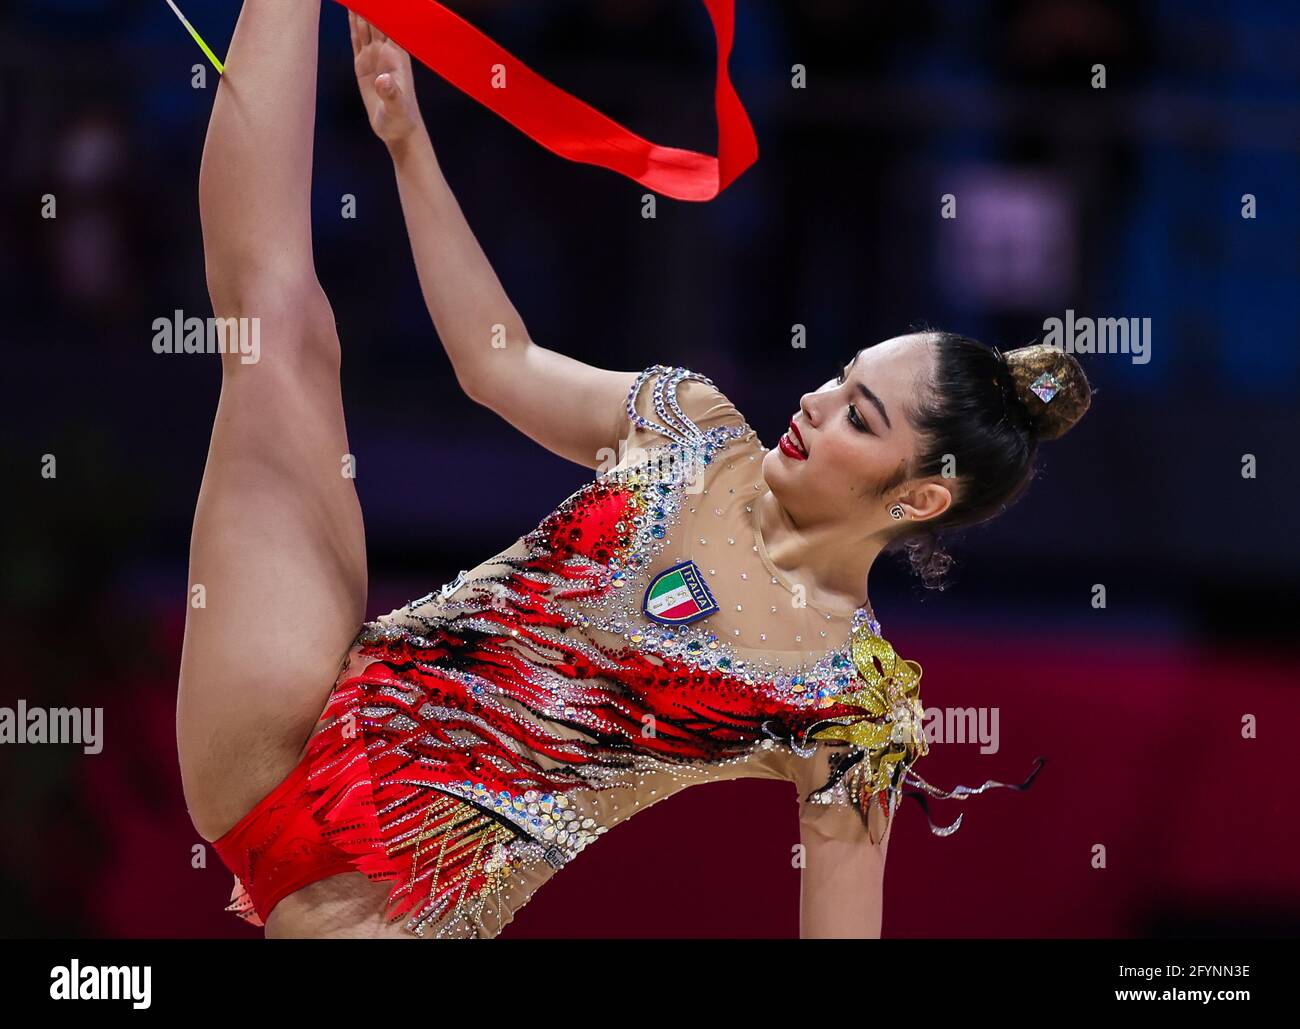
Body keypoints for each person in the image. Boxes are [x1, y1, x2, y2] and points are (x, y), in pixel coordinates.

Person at [176, 4, 1091, 940]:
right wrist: (406, 139)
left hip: (392, 908)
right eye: (839, 377)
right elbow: (497, 362)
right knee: (276, 328)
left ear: (921, 494)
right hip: (299, 715)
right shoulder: (692, 425)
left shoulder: (848, 706)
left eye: (860, 415)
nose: (817, 402)